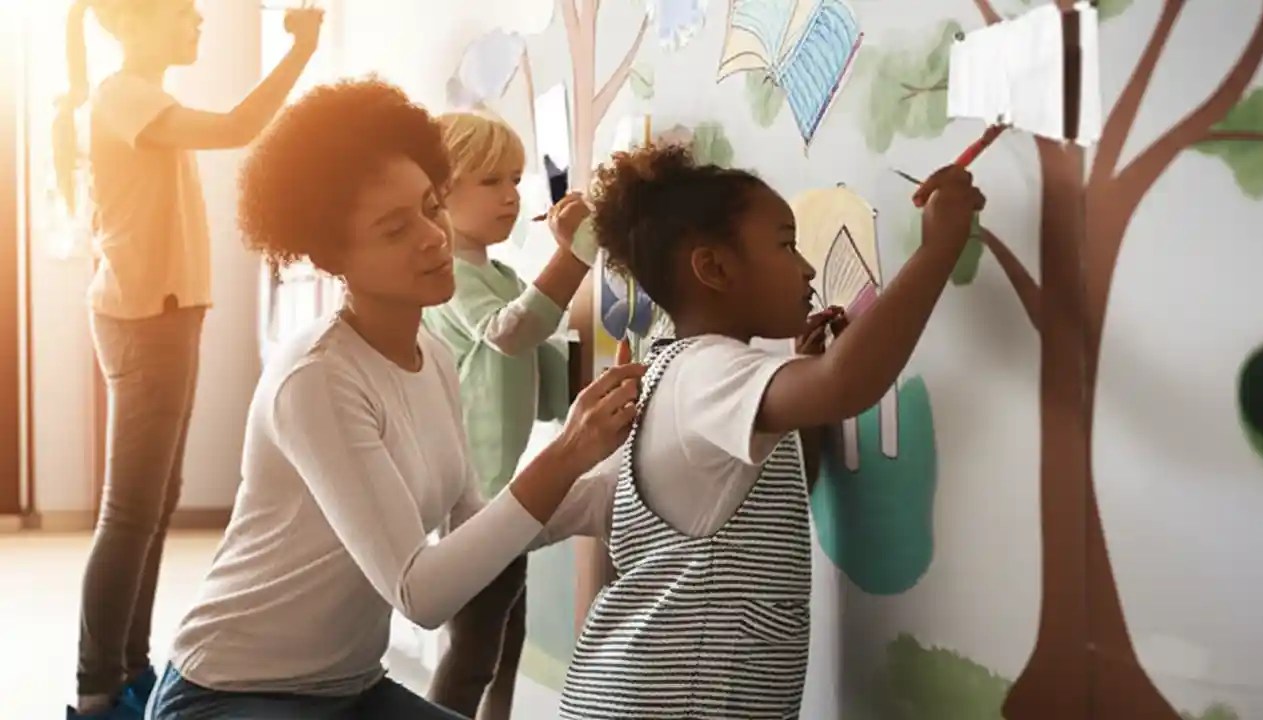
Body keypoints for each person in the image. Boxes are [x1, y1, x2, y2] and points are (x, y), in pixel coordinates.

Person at [145, 77, 643, 720]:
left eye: (432, 207)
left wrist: (610, 495)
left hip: (349, 687)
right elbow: (420, 593)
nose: (433, 237)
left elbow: (473, 526)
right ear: (332, 257)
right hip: (230, 693)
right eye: (393, 228)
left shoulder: (431, 356)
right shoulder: (317, 380)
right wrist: (569, 454)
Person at [539, 144, 986, 718]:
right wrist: (939, 246)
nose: (807, 267)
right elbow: (848, 384)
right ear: (715, 269)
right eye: (785, 243)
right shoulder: (707, 373)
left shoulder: (693, 374)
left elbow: (783, 490)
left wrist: (808, 386)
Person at [59, 1, 324, 717]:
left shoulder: (139, 96)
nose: (199, 21)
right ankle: (93, 692)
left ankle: (125, 669)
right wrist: (301, 51)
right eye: (185, 11)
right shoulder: (124, 95)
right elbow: (238, 127)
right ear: (135, 23)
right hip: (145, 319)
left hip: (165, 314)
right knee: (130, 512)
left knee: (152, 505)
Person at [419, 111, 595, 720]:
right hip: (474, 497)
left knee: (501, 636)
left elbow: (543, 375)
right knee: (474, 649)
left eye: (516, 180)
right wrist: (575, 256)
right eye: (491, 180)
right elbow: (510, 332)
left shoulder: (497, 273)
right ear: (440, 192)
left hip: (502, 491)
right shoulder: (452, 277)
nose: (512, 196)